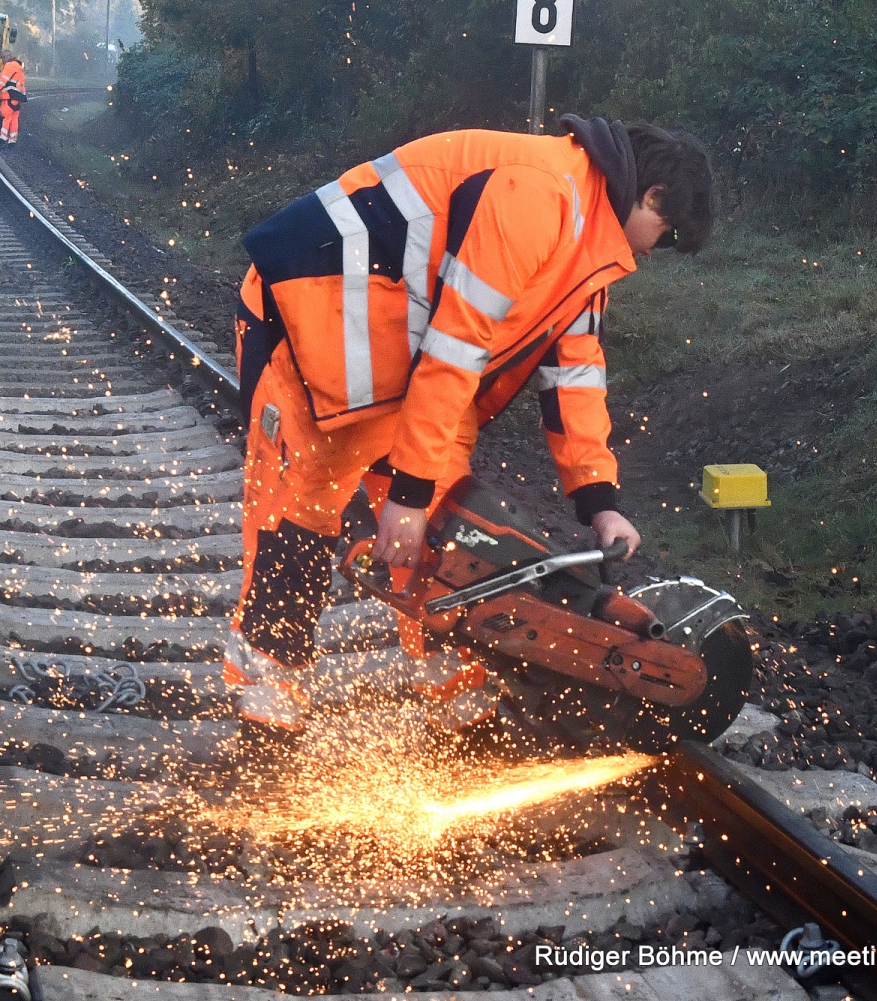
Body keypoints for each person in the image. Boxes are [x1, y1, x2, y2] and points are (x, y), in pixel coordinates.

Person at [226, 117, 714, 743]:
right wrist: (404, 496)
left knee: (449, 526)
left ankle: (457, 705)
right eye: (665, 232)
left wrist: (599, 501)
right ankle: (267, 704)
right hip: (313, 319)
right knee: (297, 513)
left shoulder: (589, 242)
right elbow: (456, 351)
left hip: (400, 352)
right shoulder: (538, 196)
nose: (654, 249)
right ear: (653, 195)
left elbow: (575, 376)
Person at [0, 50, 26, 144]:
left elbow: (2, 81)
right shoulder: (17, 67)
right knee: (14, 119)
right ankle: (12, 139)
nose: (2, 60)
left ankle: (3, 138)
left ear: (7, 56)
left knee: (5, 117)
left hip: (9, 96)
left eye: (3, 57)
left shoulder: (9, 66)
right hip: (18, 97)